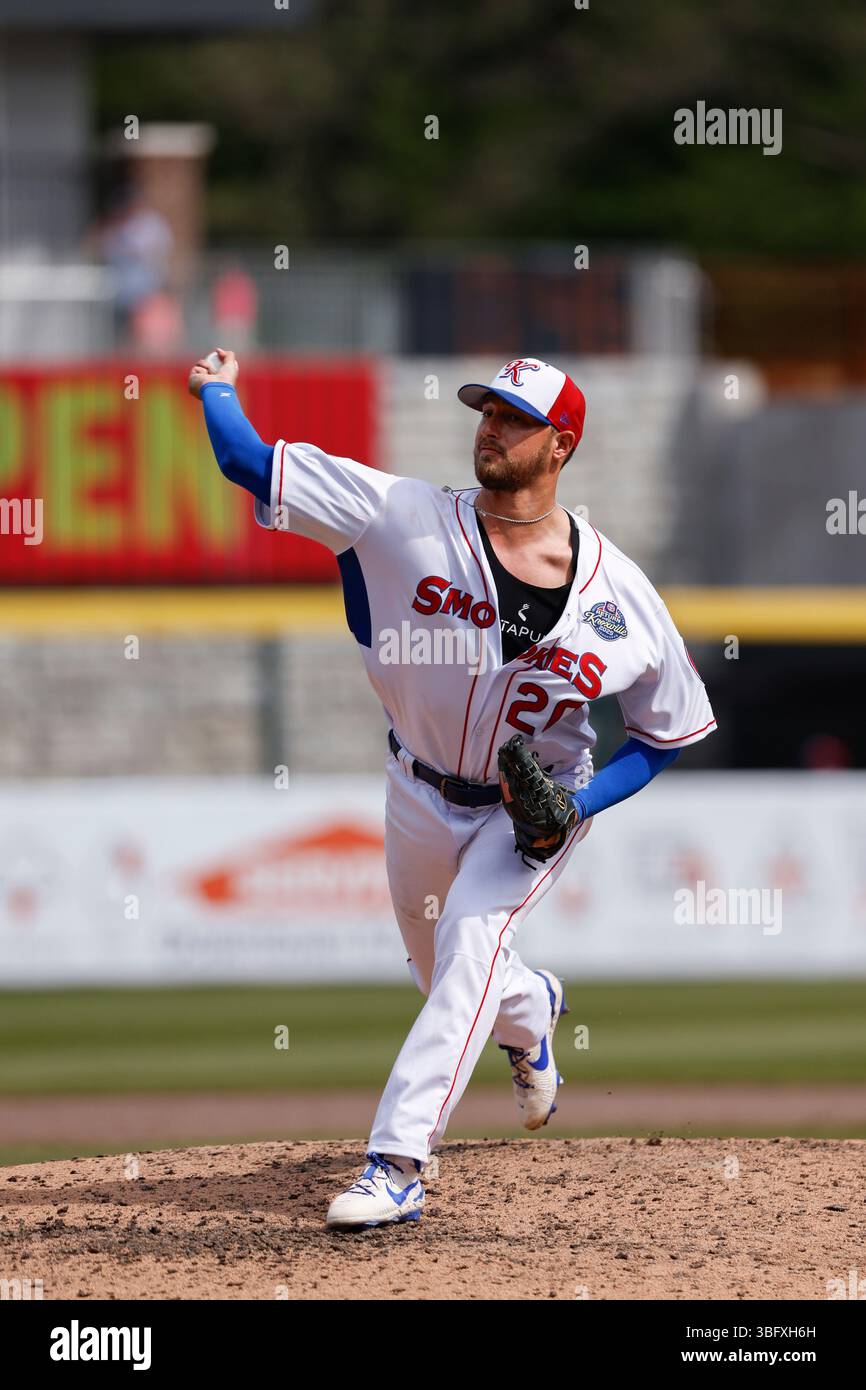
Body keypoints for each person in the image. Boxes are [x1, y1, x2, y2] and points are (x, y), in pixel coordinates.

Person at [189, 350, 717, 1230]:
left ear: (561, 446)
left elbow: (667, 735)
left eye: (514, 417)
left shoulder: (621, 594)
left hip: (533, 810)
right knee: (443, 973)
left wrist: (574, 810)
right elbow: (248, 461)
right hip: (417, 790)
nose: (491, 426)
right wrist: (215, 389)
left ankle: (395, 1163)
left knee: (470, 947)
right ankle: (533, 1006)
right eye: (487, 410)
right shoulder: (398, 515)